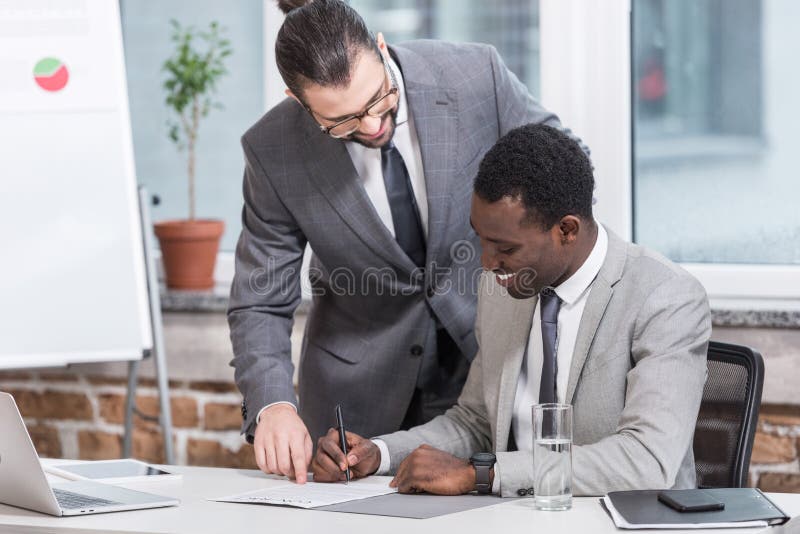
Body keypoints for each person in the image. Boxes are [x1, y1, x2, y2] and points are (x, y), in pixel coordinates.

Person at [228, 0, 588, 484]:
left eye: (378, 100)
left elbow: (566, 165)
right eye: (343, 123)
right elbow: (259, 298)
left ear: (381, 48)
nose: (373, 126)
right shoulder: (273, 149)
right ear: (298, 99)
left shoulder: (473, 75)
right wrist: (272, 403)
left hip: (486, 368)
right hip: (355, 404)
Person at [311, 123, 711, 497]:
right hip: (514, 517)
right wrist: (378, 454)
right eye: (482, 240)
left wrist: (484, 474)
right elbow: (476, 421)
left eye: (505, 248)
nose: (487, 263)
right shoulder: (503, 288)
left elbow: (646, 460)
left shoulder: (666, 297)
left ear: (567, 231)